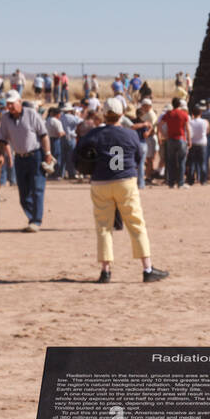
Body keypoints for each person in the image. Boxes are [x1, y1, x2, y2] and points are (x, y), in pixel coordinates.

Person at [75, 96, 169, 284]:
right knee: (136, 223)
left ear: (104, 114)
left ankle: (105, 271)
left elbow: (78, 155)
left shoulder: (94, 135)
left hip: (101, 181)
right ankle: (147, 268)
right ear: (121, 114)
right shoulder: (130, 134)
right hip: (125, 180)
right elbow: (137, 154)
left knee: (103, 226)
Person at [0, 90, 51, 231]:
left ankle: (36, 221)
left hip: (36, 156)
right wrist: (0, 154)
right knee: (24, 194)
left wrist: (48, 153)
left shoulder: (31, 114)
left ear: (19, 102)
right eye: (8, 104)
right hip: (19, 158)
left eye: (12, 104)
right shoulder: (5, 119)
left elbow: (44, 135)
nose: (10, 107)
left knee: (37, 189)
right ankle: (33, 217)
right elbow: (1, 139)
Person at [160, 96, 190, 189]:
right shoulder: (183, 114)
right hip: (181, 138)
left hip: (170, 139)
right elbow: (187, 128)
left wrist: (163, 135)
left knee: (171, 162)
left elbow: (160, 124)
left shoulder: (169, 114)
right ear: (180, 104)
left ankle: (171, 182)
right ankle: (180, 183)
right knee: (181, 162)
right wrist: (189, 140)